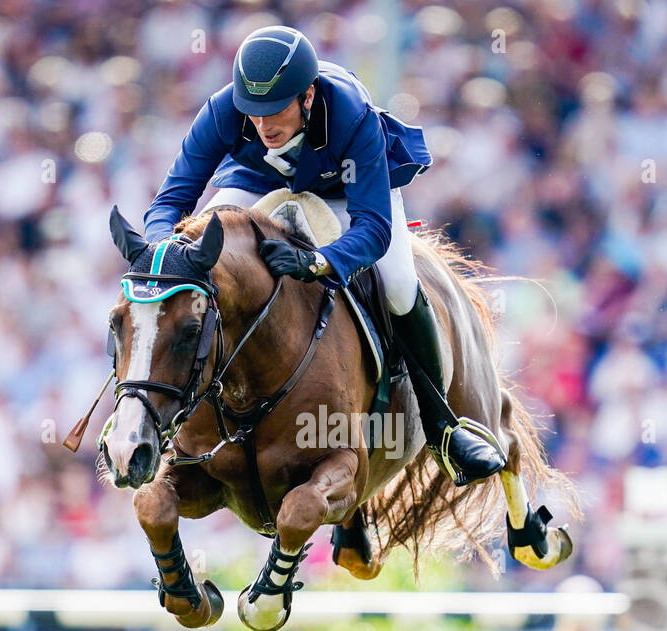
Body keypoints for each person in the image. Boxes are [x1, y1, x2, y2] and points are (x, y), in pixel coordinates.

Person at [142, 25, 506, 486]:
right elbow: (169, 203)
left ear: (308, 96)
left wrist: (318, 262)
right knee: (188, 264)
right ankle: (151, 414)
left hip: (346, 190)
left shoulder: (351, 115)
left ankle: (442, 428)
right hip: (258, 182)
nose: (263, 126)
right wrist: (163, 254)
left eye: (275, 111)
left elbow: (373, 227)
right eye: (253, 113)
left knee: (397, 285)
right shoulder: (224, 110)